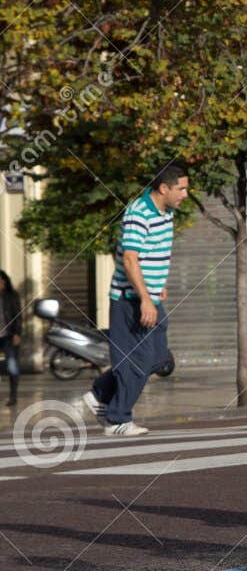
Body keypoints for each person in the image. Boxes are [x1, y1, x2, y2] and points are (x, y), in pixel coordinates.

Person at [79, 163, 188, 436]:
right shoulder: (139, 214)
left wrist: (156, 287)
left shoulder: (166, 213)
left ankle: (100, 393)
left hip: (148, 296)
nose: (185, 194)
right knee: (137, 361)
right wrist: (144, 298)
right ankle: (117, 420)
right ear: (163, 188)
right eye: (181, 188)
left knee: (160, 358)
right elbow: (130, 258)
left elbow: (153, 255)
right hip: (130, 300)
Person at [1, 269, 21, 407]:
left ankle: (13, 396)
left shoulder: (12, 296)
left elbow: (18, 317)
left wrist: (17, 333)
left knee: (12, 365)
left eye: (2, 280)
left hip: (8, 335)